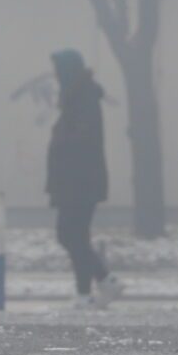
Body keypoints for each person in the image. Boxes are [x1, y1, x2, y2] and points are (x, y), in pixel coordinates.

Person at [46, 49, 118, 304]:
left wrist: (60, 145)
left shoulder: (83, 98)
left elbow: (81, 141)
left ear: (67, 70)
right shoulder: (78, 97)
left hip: (79, 182)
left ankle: (89, 291)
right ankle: (98, 285)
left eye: (57, 69)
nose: (54, 75)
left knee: (70, 234)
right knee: (75, 236)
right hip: (75, 181)